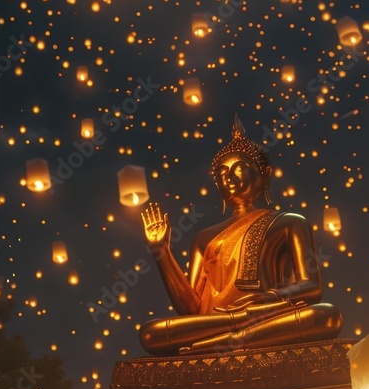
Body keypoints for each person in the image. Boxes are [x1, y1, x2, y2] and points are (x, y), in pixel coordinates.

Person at [139, 116, 342, 356]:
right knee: (151, 333)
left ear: (265, 175)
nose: (229, 177)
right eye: (222, 173)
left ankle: (218, 343)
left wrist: (270, 297)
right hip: (215, 322)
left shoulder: (289, 222)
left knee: (325, 316)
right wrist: (161, 252)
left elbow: (311, 287)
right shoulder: (203, 238)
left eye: (239, 168)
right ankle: (230, 334)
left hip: (263, 317)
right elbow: (190, 309)